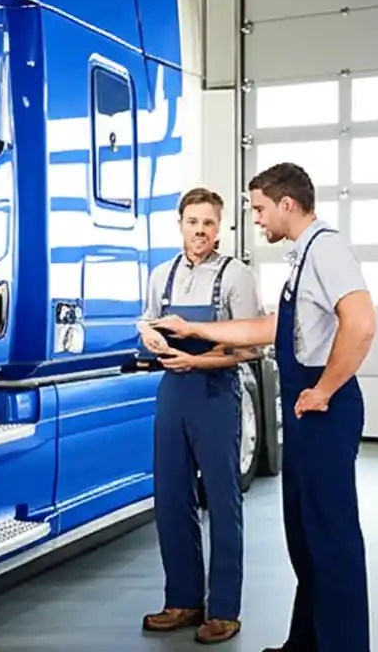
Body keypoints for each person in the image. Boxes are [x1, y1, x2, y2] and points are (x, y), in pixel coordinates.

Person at [152, 163, 377, 652]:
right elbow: (270, 328)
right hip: (306, 411)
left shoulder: (329, 250)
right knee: (305, 535)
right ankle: (307, 642)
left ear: (286, 205)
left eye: (258, 209)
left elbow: (360, 324)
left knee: (331, 538)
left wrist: (325, 389)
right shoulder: (303, 255)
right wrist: (196, 331)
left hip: (324, 410)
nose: (255, 219)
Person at [137, 187, 263, 645]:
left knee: (223, 499)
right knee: (171, 496)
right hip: (172, 390)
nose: (201, 232)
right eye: (193, 222)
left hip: (214, 391)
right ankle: (183, 600)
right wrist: (148, 335)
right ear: (181, 224)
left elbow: (249, 346)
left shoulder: (235, 276)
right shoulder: (161, 275)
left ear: (220, 227)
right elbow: (147, 319)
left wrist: (198, 361)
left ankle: (224, 609)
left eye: (209, 223)